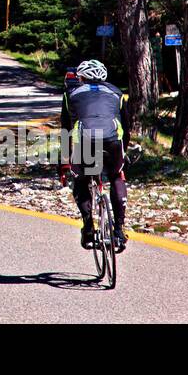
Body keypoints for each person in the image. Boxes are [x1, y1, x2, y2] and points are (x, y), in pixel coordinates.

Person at [59, 59, 131, 252]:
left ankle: (88, 227)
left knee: (81, 180)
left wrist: (64, 163)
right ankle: (119, 229)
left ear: (81, 77)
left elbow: (65, 130)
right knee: (116, 176)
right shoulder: (117, 93)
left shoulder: (70, 93)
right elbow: (127, 127)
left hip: (85, 140)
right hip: (112, 141)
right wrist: (124, 153)